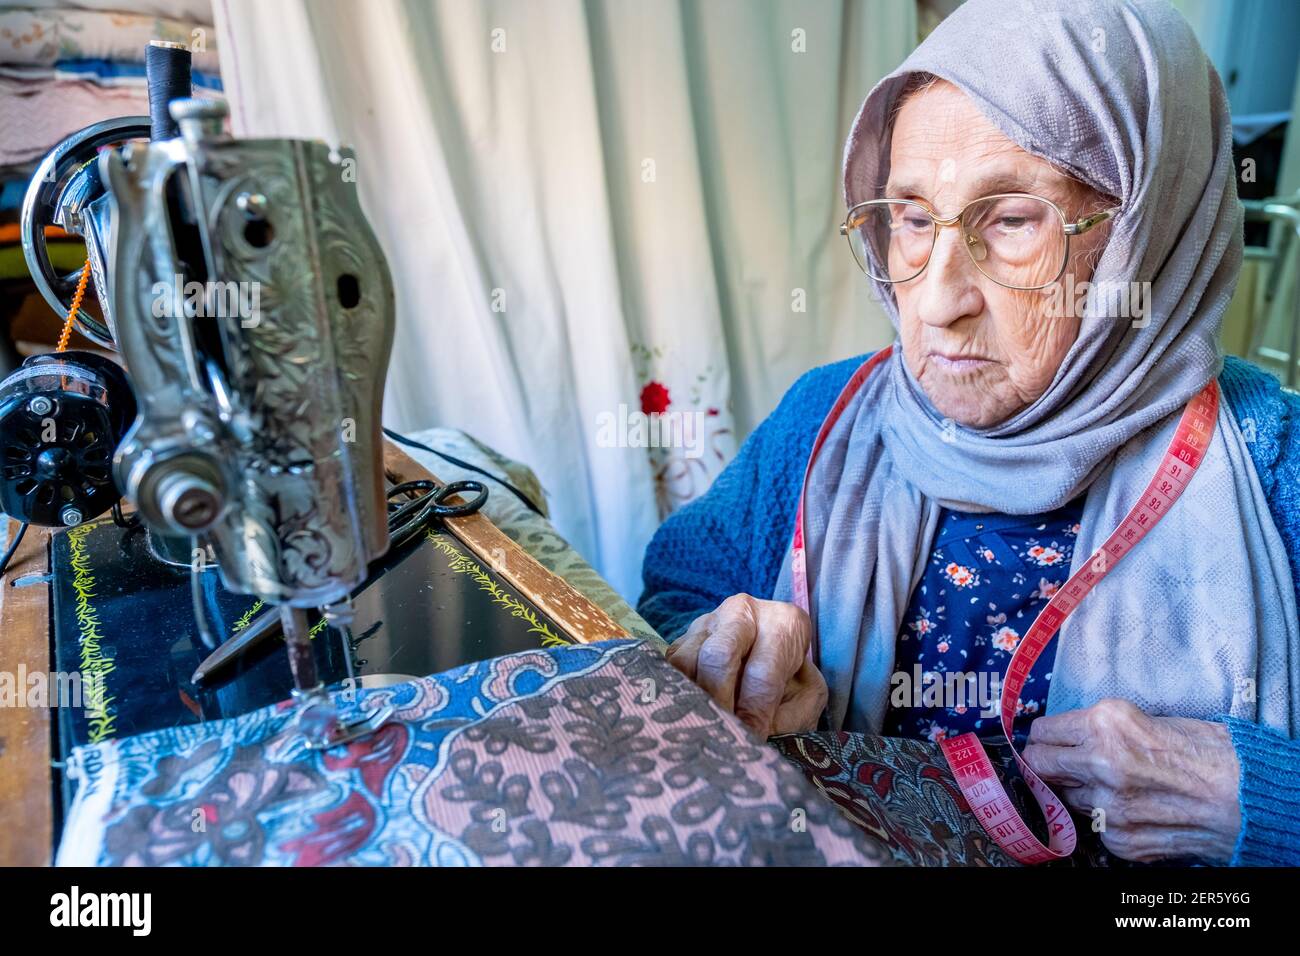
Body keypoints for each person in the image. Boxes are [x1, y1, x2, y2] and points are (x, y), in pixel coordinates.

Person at [638, 0, 1300, 865]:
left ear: (1148, 234)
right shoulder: (824, 418)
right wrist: (733, 662)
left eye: (1013, 220)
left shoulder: (1272, 460)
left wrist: (1253, 796)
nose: (938, 300)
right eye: (912, 219)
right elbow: (675, 592)